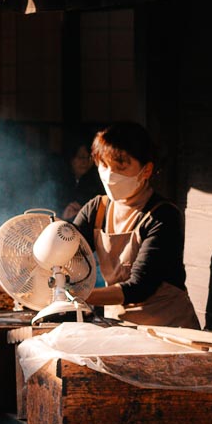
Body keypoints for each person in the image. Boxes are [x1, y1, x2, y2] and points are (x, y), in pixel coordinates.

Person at [70, 121, 200, 328]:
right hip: (120, 327)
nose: (110, 175)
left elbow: (139, 287)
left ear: (146, 170)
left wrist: (78, 296)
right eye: (104, 165)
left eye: (120, 167)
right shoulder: (97, 209)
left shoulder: (162, 215)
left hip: (169, 328)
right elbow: (69, 251)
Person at [59, 136, 103, 222]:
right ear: (71, 159)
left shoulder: (98, 183)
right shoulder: (60, 182)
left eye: (89, 158)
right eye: (81, 157)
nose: (85, 162)